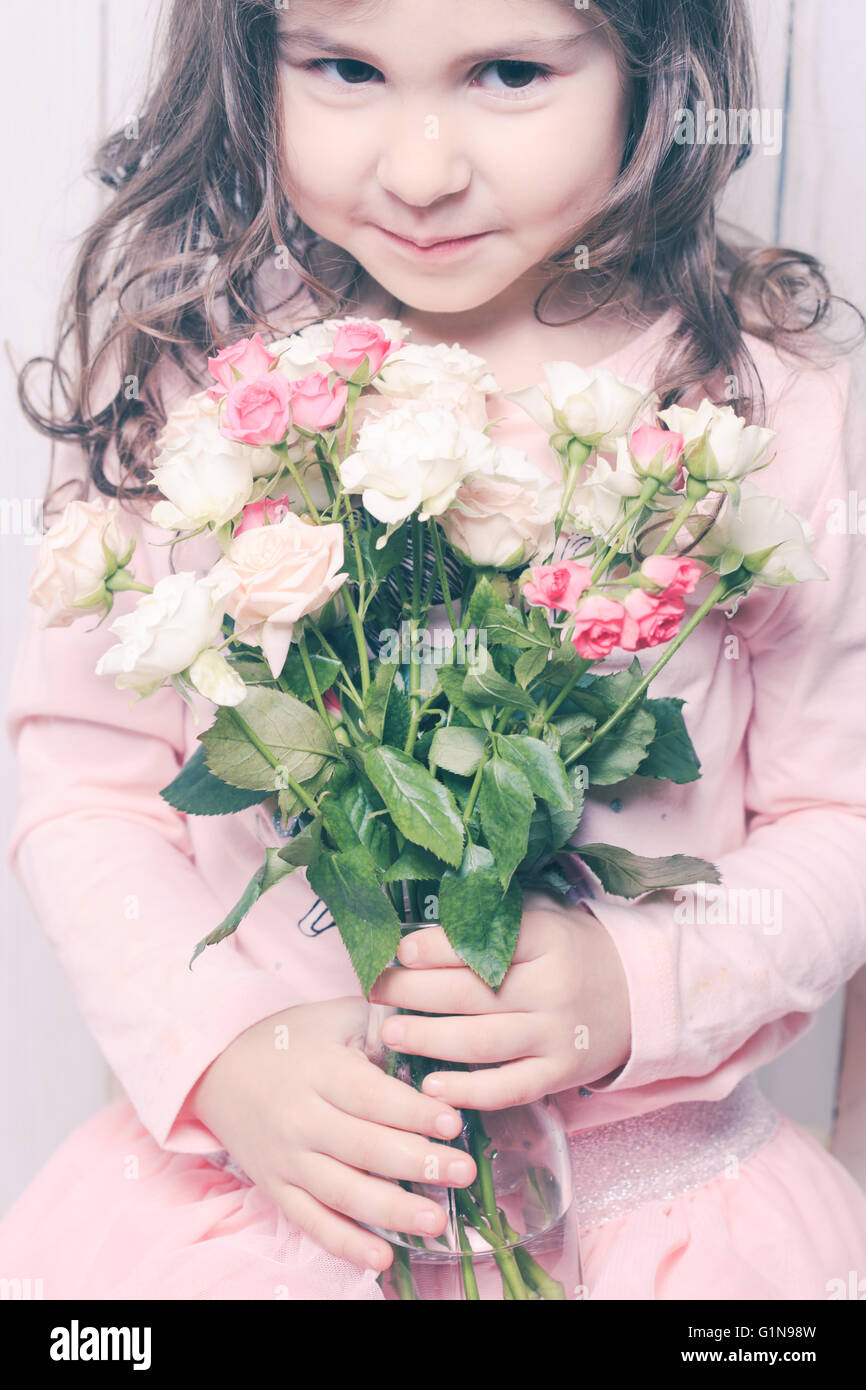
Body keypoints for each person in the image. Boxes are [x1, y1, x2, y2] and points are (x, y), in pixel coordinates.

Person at [2, 0, 866, 1300]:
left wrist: (639, 981)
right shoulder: (195, 373)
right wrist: (218, 1053)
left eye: (508, 72)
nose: (417, 168)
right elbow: (88, 788)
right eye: (344, 67)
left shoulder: (749, 399)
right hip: (267, 1212)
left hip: (660, 1215)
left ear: (652, 64)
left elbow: (839, 810)